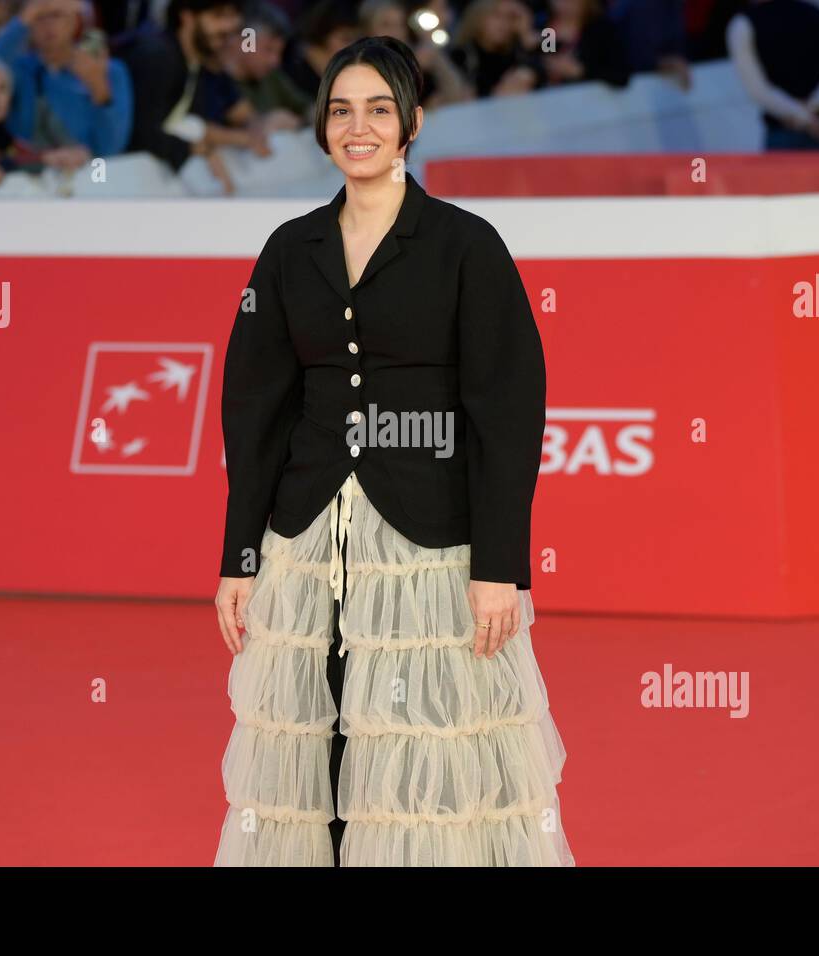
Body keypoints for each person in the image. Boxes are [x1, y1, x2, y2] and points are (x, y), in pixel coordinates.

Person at [212, 36, 573, 867]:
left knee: (428, 751)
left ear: (412, 123)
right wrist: (240, 554)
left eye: (379, 109)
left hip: (432, 550)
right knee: (314, 750)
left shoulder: (464, 245)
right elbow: (254, 413)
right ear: (322, 126)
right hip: (306, 549)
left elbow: (506, 416)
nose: (358, 127)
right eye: (341, 110)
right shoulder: (287, 249)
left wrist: (501, 568)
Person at [124, 0, 267, 179]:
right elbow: (141, 134)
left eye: (233, 16)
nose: (228, 26)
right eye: (218, 16)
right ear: (187, 16)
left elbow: (190, 123)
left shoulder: (195, 62)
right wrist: (194, 148)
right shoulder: (157, 56)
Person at [0, 0, 133, 157]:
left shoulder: (109, 70)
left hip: (86, 174)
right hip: (27, 173)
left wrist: (99, 88)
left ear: (74, 21)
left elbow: (111, 149)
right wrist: (21, 21)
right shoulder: (19, 69)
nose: (48, 25)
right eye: (39, 17)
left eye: (56, 15)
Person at [726, 0, 819, 150]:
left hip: (790, 127)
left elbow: (757, 89)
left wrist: (804, 116)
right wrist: (812, 109)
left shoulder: (740, 25)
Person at [0, 53, 90, 191]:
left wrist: (63, 156)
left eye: (2, 89)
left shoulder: (2, 134)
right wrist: (45, 159)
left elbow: (22, 155)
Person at [449, 0, 548, 98]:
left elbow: (546, 71)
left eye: (510, 18)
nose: (504, 24)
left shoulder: (515, 53)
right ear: (478, 17)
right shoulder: (461, 56)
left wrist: (526, 35)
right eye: (497, 16)